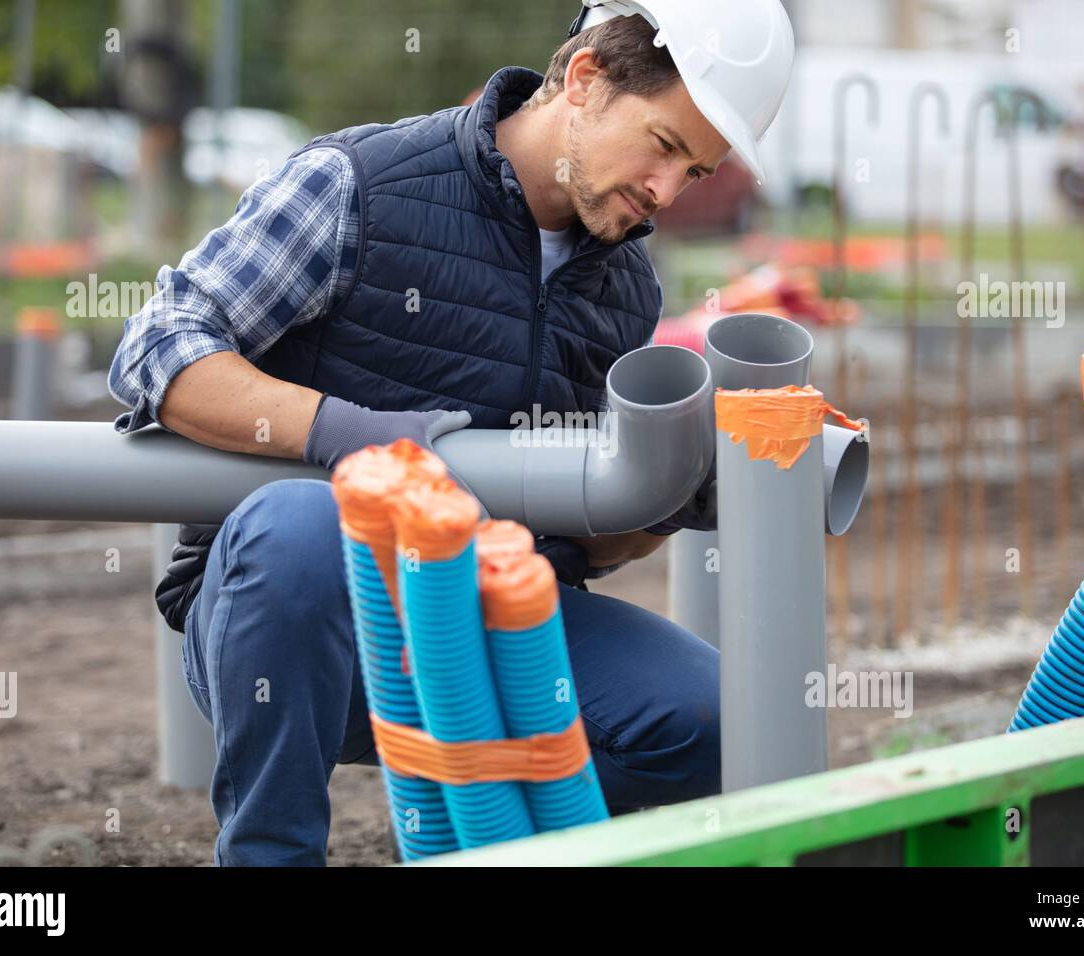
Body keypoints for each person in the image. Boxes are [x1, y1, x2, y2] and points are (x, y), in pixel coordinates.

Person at [108, 0, 795, 866]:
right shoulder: (357, 186)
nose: (664, 193)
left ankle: (505, 846)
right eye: (664, 146)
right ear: (583, 78)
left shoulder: (626, 289)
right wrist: (343, 432)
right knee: (302, 528)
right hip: (301, 625)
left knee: (712, 717)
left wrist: (668, 502)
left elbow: (581, 546)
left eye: (694, 173)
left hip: (490, 628)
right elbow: (159, 344)